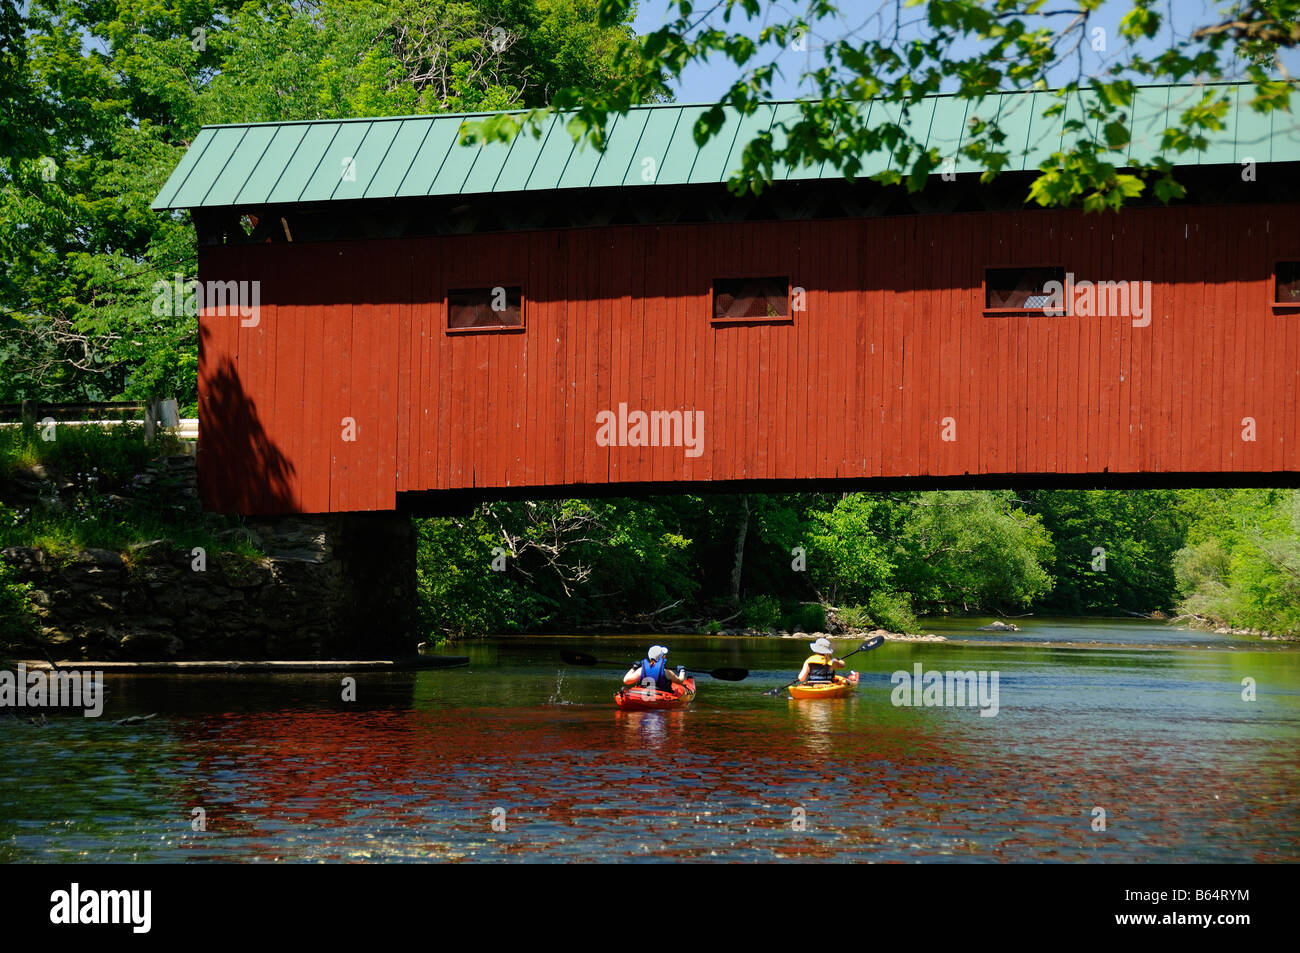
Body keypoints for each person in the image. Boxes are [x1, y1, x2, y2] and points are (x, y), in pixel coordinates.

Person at [623, 645, 690, 692]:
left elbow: (626, 681)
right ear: (662, 657)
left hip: (644, 694)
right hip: (660, 696)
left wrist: (634, 668)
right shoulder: (667, 672)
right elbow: (680, 681)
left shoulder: (641, 670)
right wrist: (682, 671)